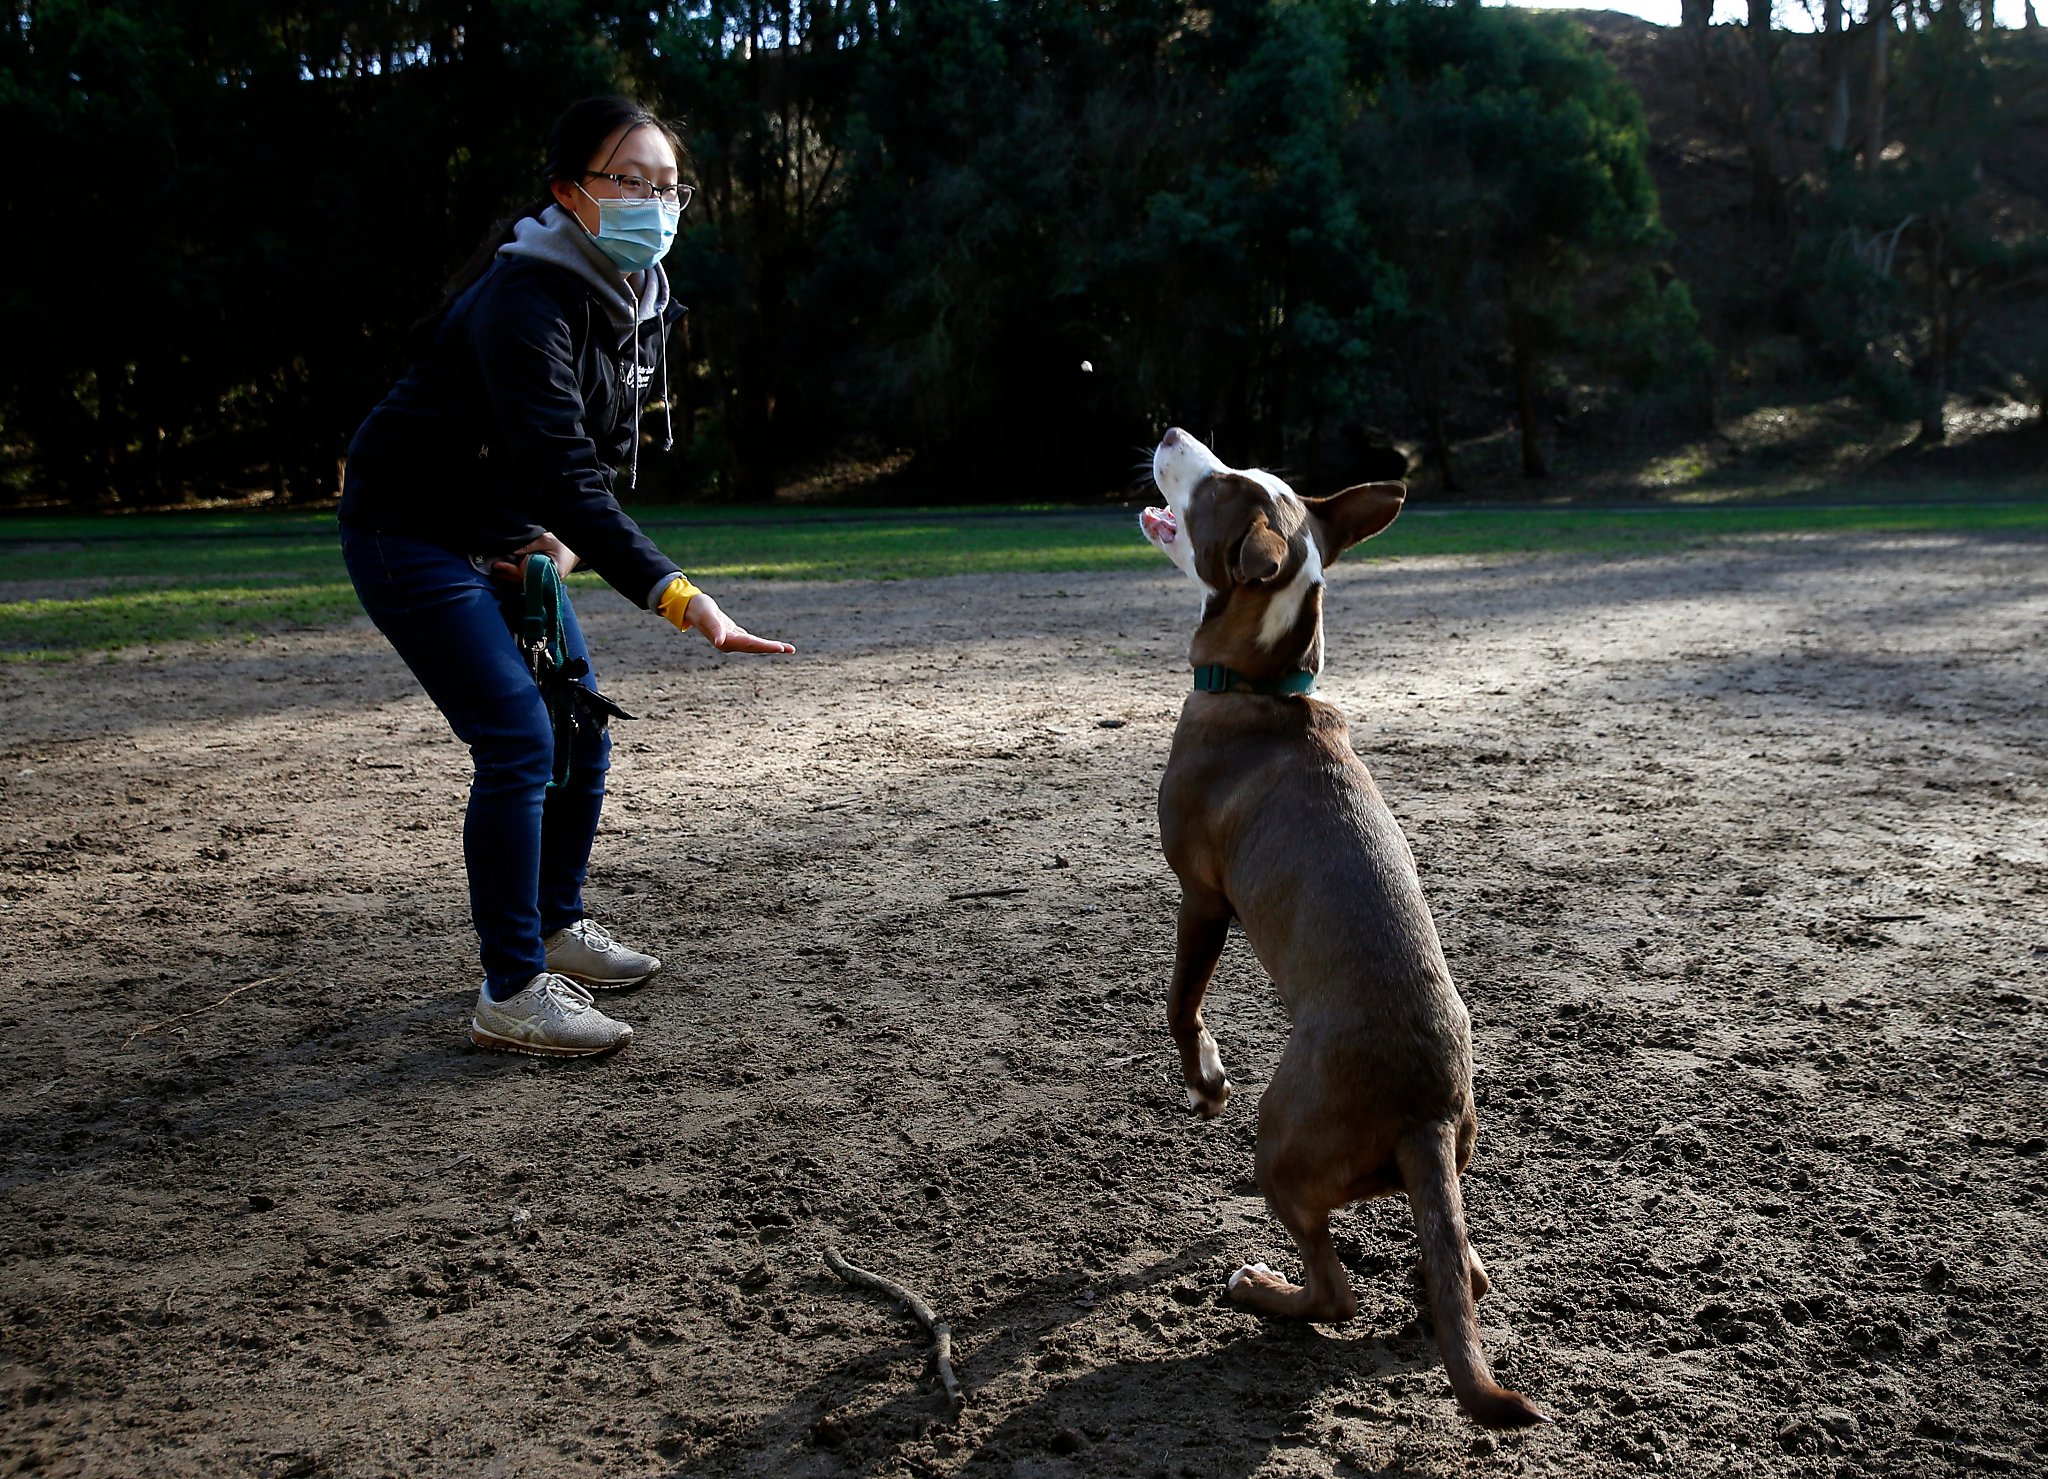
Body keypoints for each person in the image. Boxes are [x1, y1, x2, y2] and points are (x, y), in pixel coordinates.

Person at [338, 96, 790, 1059]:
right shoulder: (523, 301)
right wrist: (685, 599)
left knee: (579, 731)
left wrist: (558, 542)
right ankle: (512, 987)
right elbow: (565, 466)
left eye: (669, 187)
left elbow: (596, 462)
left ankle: (555, 925)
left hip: (509, 538)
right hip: (407, 532)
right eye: (630, 182)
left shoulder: (635, 300)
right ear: (568, 193)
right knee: (517, 737)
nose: (655, 204)